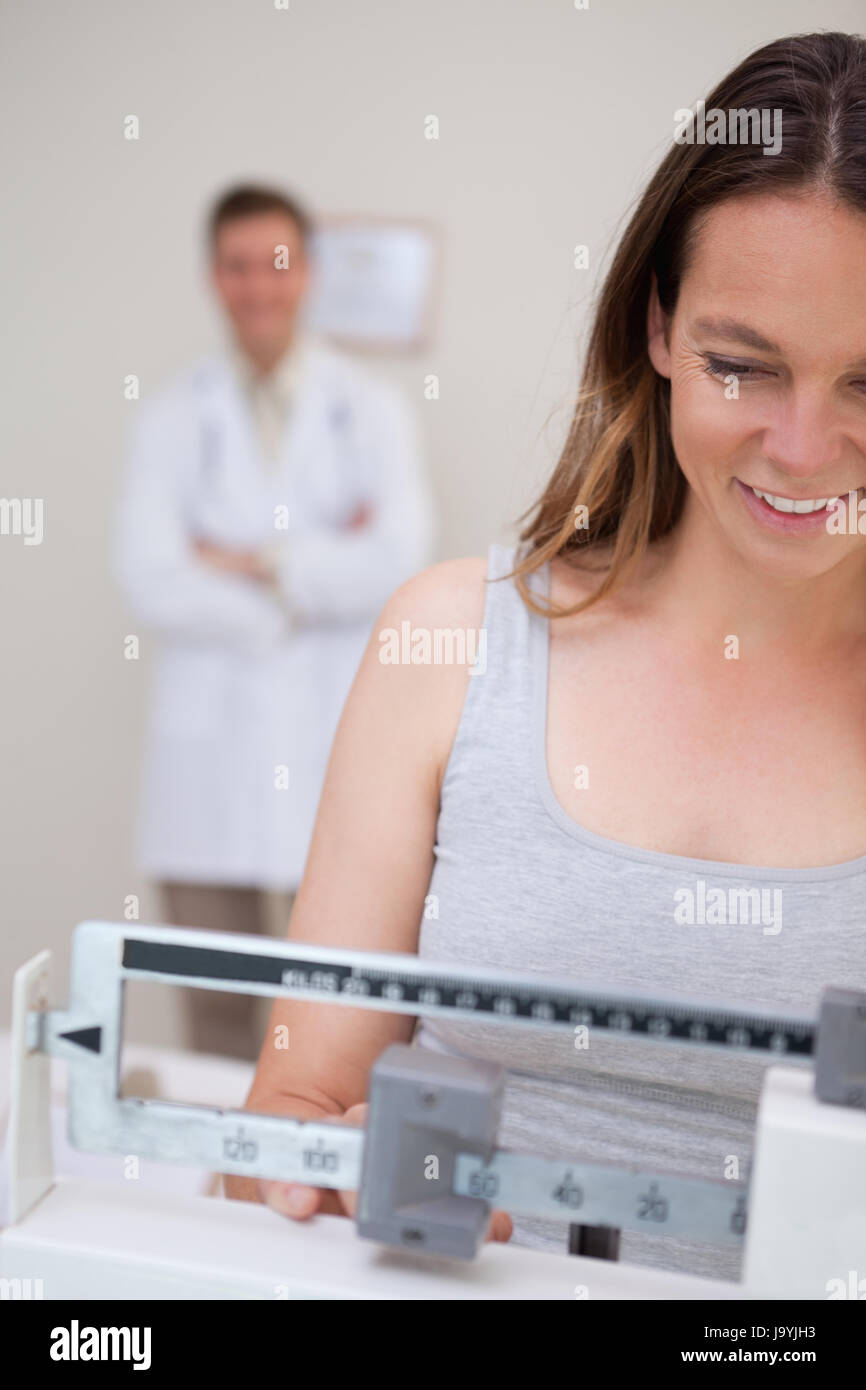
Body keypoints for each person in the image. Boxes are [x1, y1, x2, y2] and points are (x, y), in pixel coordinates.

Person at [224, 31, 866, 1282]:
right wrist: (326, 1166)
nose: (801, 448)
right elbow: (282, 1126)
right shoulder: (451, 646)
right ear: (659, 328)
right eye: (743, 364)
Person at [115, 184, 433, 1060]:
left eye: (278, 263)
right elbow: (150, 578)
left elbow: (401, 557)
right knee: (211, 1028)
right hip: (205, 769)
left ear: (311, 273)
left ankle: (298, 1197)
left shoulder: (371, 410)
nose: (260, 285)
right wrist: (309, 590)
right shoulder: (171, 418)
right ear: (214, 277)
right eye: (238, 266)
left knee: (325, 1028)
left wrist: (257, 562)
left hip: (330, 751)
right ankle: (207, 1197)